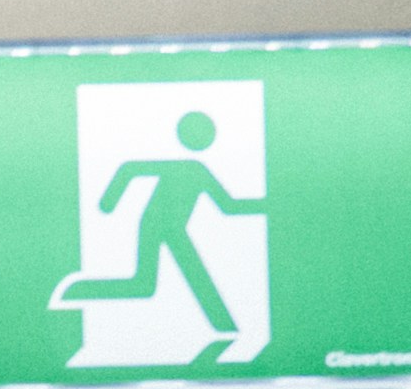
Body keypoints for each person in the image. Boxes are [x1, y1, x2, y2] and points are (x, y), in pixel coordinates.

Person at [55, 110, 261, 355]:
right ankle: (225, 326)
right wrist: (108, 202)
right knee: (155, 281)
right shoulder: (190, 168)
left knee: (144, 284)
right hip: (155, 225)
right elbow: (131, 169)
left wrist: (266, 205)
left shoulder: (198, 171)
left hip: (172, 229)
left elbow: (228, 205)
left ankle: (78, 291)